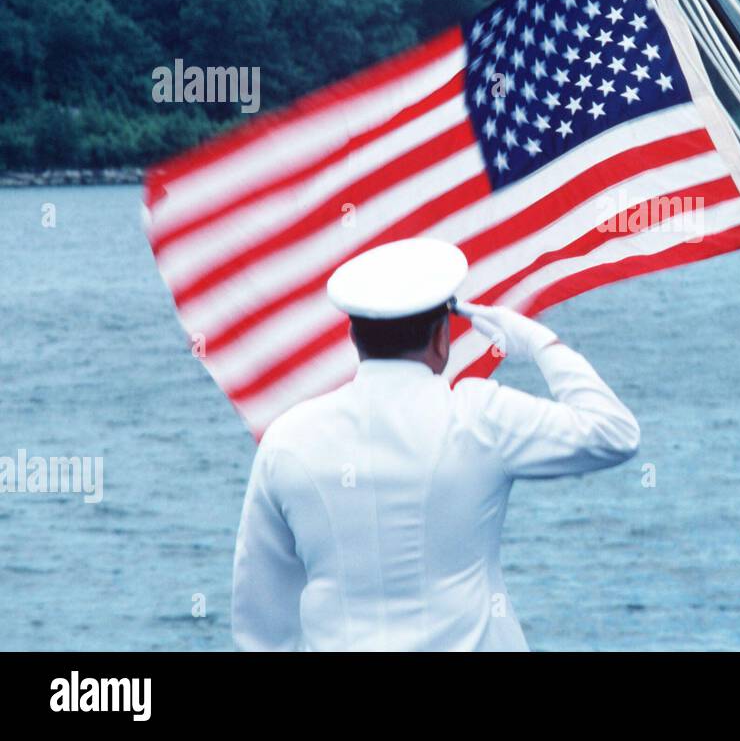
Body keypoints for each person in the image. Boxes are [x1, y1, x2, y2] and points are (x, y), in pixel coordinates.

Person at [231, 237, 639, 651]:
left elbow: (261, 620)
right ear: (442, 340)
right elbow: (614, 433)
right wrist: (541, 343)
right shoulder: (481, 418)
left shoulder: (288, 439)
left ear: (354, 337)